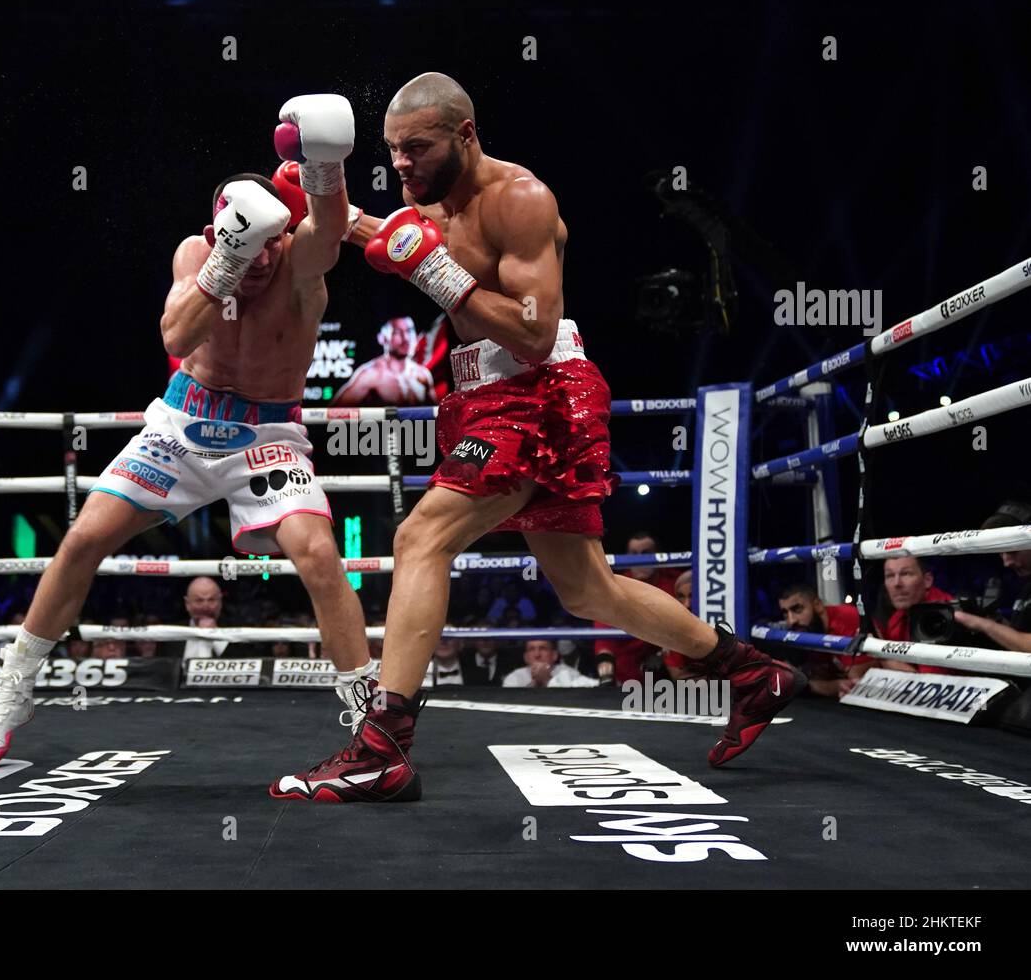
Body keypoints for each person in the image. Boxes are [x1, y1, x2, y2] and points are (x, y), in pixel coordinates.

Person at [270, 73, 804, 803]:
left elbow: (533, 330)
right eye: (393, 150)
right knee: (587, 590)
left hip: (540, 390)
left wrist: (430, 266)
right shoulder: (420, 201)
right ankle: (752, 671)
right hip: (482, 393)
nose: (401, 163)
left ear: (465, 133)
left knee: (419, 539)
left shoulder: (520, 199)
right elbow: (368, 236)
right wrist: (320, 184)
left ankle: (382, 747)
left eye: (416, 148)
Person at [0, 94, 377, 769]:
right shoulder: (199, 252)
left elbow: (327, 234)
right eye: (246, 236)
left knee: (320, 555)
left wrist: (325, 165)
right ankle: (13, 689)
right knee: (82, 539)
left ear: (283, 233)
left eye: (269, 239)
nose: (264, 254)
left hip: (266, 434)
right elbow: (177, 335)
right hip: (184, 422)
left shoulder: (302, 267)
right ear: (218, 229)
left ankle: (367, 718)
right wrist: (228, 256)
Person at [592, 532, 681, 682]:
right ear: (627, 556)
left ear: (657, 555)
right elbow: (604, 635)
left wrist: (664, 654)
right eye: (634, 554)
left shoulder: (675, 583)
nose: (639, 559)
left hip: (670, 671)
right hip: (626, 677)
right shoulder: (615, 587)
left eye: (645, 554)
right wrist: (605, 665)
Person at [954, 500, 1031, 654]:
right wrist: (998, 623)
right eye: (1001, 552)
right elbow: (1021, 637)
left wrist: (983, 624)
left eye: (1012, 551)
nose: (1006, 562)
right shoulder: (1027, 585)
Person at [776, 582, 863, 698]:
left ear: (817, 605)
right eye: (785, 614)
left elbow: (855, 682)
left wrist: (817, 684)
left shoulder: (846, 618)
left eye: (797, 609)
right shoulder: (801, 630)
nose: (791, 621)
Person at [876, 555, 955, 674]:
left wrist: (879, 651)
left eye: (906, 574)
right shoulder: (898, 618)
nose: (896, 584)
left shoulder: (941, 617)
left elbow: (929, 681)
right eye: (890, 576)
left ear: (927, 580)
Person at [335, 316, 436, 405]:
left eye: (409, 331)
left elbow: (439, 416)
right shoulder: (372, 375)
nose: (405, 338)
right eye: (397, 332)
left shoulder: (423, 374)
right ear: (382, 338)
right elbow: (334, 412)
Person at [501, 638, 600, 688]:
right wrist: (535, 684)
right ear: (526, 657)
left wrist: (547, 681)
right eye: (531, 649)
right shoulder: (515, 677)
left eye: (543, 648)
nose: (537, 655)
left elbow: (595, 687)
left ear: (554, 655)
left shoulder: (568, 673)